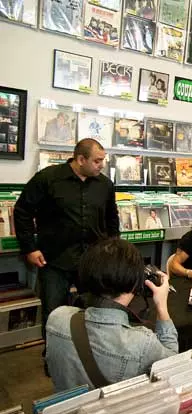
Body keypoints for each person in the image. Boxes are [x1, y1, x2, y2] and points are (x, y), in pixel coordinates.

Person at [14, 139, 119, 366]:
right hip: (55, 260)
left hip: (93, 261)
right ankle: (54, 359)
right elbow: (22, 211)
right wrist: (29, 248)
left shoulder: (105, 185)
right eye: (97, 160)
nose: (102, 165)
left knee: (97, 309)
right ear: (80, 159)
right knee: (54, 313)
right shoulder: (48, 179)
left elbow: (112, 219)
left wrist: (113, 249)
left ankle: (93, 359)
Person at [46, 239, 177, 392]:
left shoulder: (57, 318)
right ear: (137, 283)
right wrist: (162, 306)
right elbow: (172, 363)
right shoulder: (143, 344)